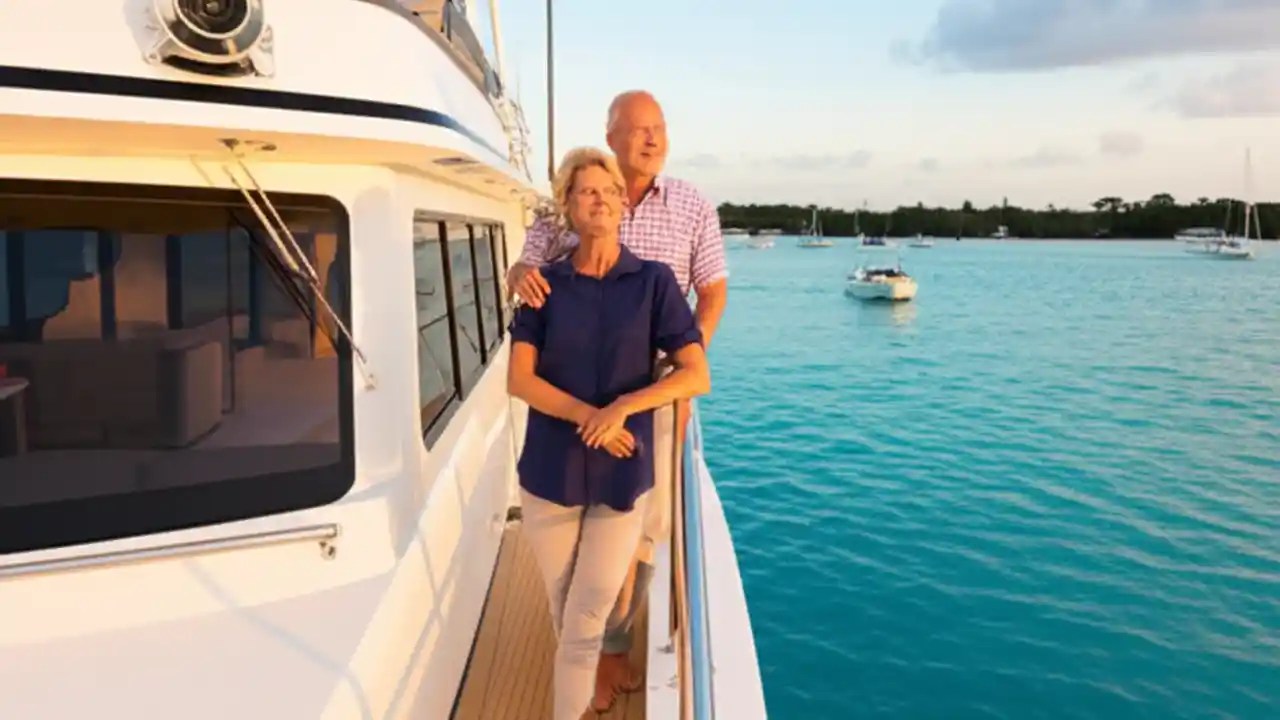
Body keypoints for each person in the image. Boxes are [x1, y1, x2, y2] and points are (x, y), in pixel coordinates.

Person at [506, 90, 728, 706]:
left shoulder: (681, 221)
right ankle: (594, 662)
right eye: (637, 130)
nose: (651, 140)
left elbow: (709, 299)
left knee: (643, 542)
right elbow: (523, 279)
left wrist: (659, 378)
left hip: (647, 402)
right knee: (571, 601)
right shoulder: (557, 244)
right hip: (559, 445)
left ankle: (614, 646)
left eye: (659, 128)